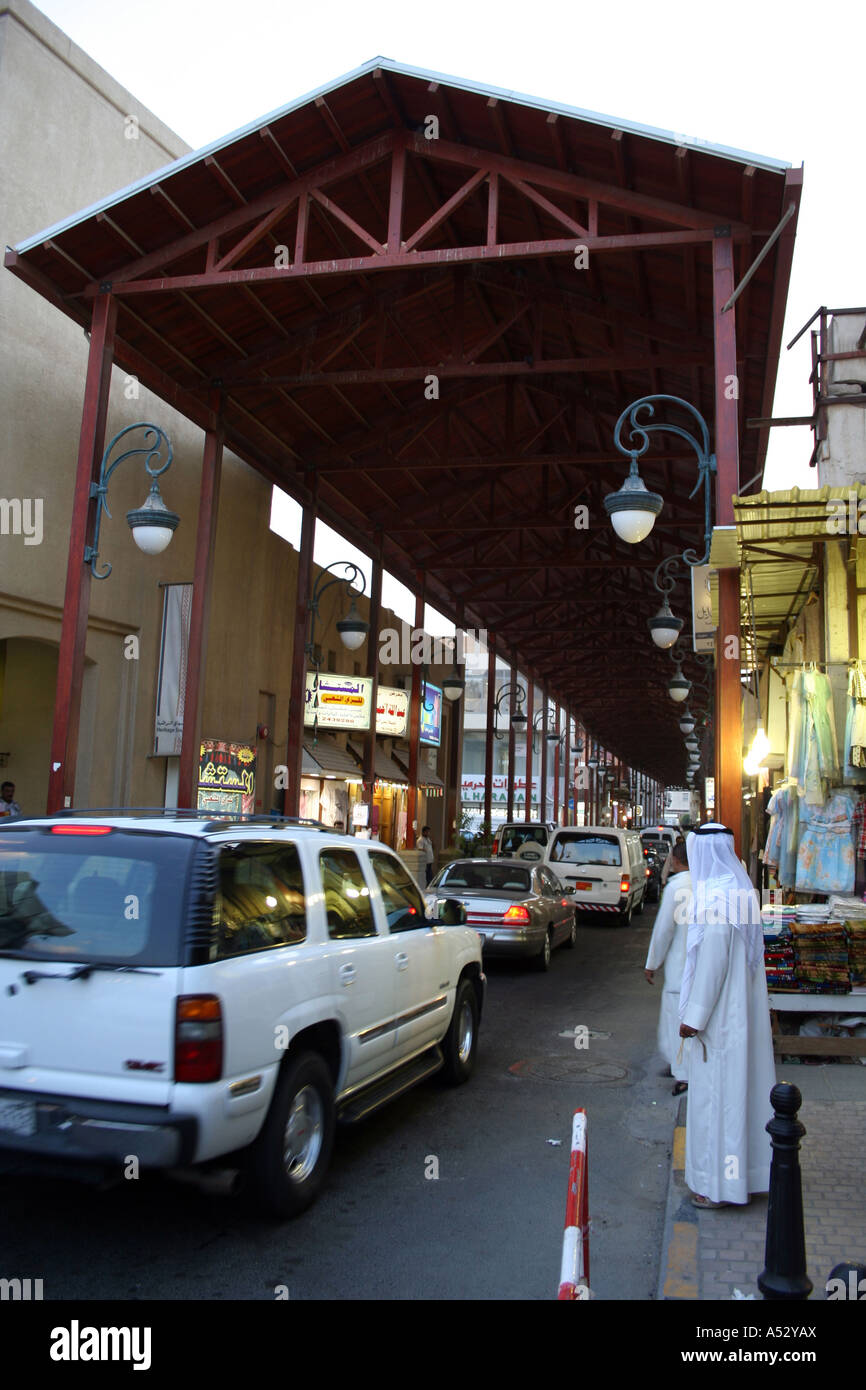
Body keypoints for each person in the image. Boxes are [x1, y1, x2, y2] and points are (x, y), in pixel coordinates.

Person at [678, 822, 776, 1209]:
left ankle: (718, 1187)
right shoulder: (740, 890)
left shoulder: (718, 899)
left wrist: (694, 1018)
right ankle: (744, 1177)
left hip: (721, 1020)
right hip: (739, 1014)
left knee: (719, 1104)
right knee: (740, 1096)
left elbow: (712, 965)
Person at [644, 840, 691, 1095]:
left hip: (679, 968)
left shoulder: (676, 887)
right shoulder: (705, 885)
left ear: (675, 860)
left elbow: (663, 930)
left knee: (676, 1019)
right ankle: (680, 1065)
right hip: (700, 969)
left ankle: (682, 1073)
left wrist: (652, 963)